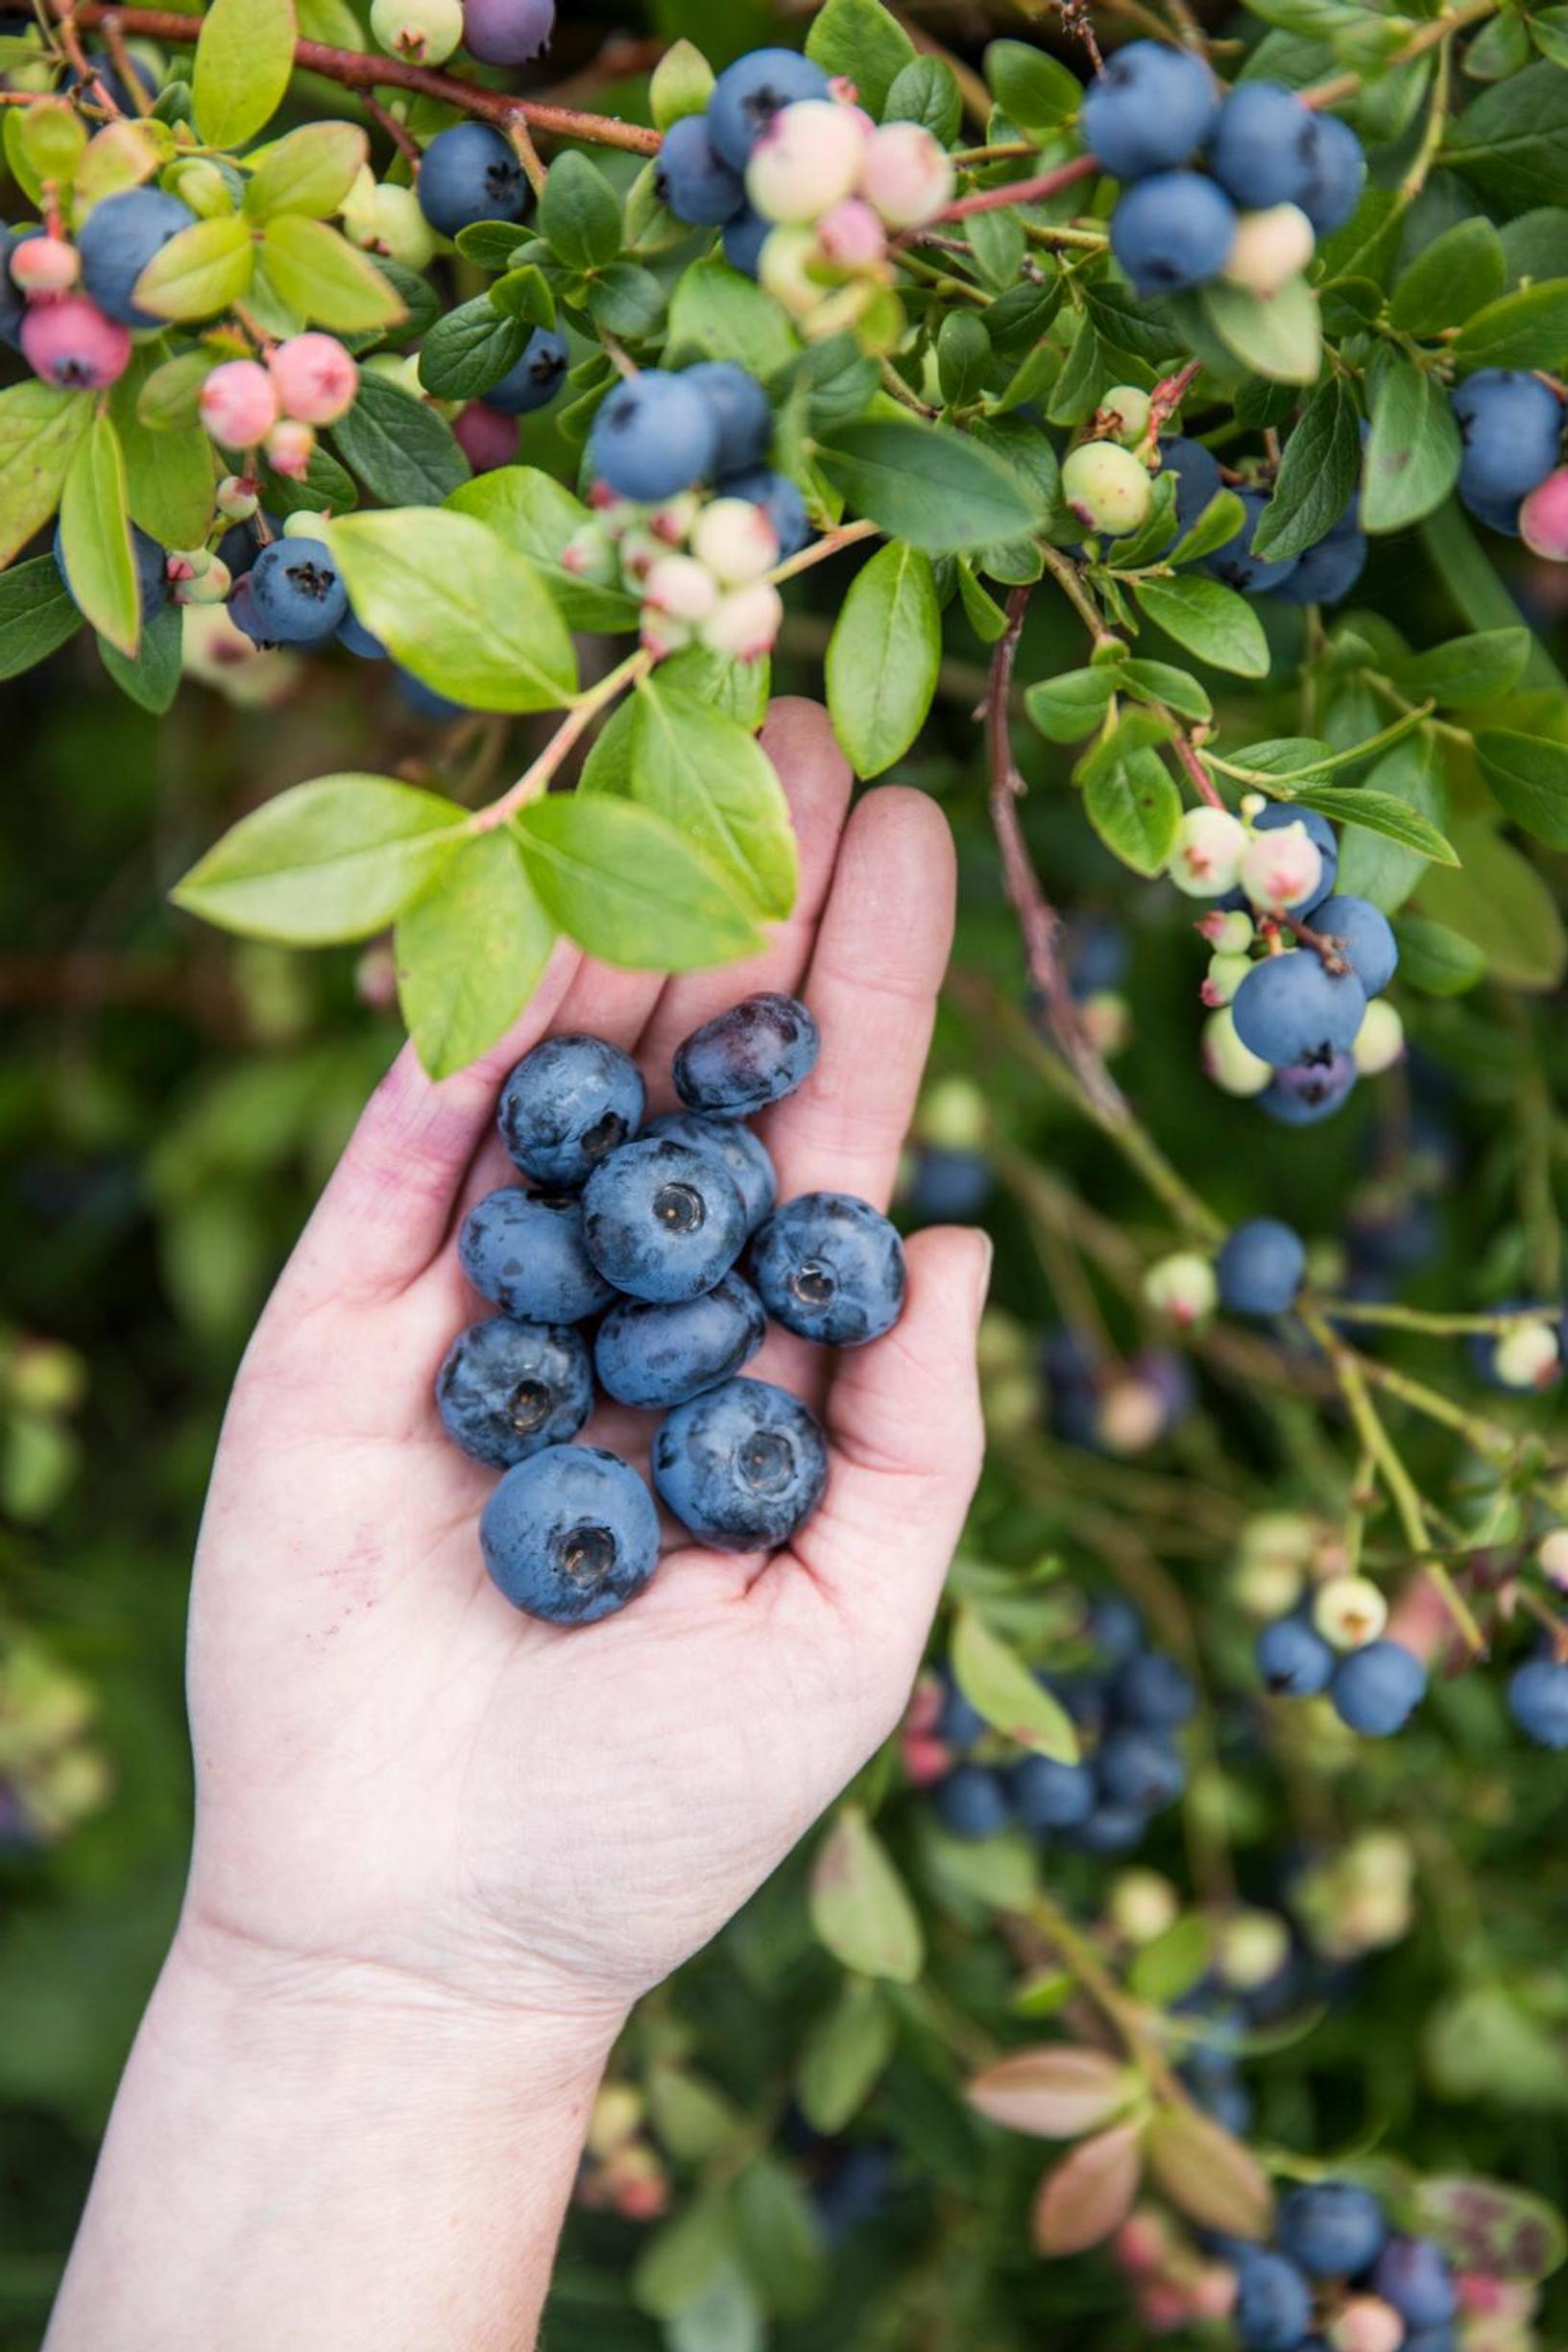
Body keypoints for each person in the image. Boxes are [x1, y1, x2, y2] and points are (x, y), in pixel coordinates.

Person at [44, 702, 990, 2349]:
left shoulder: (670, 1281)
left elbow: (656, 1277)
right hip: (609, 1394)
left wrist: (429, 2003)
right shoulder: (604, 1303)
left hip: (630, 1382)